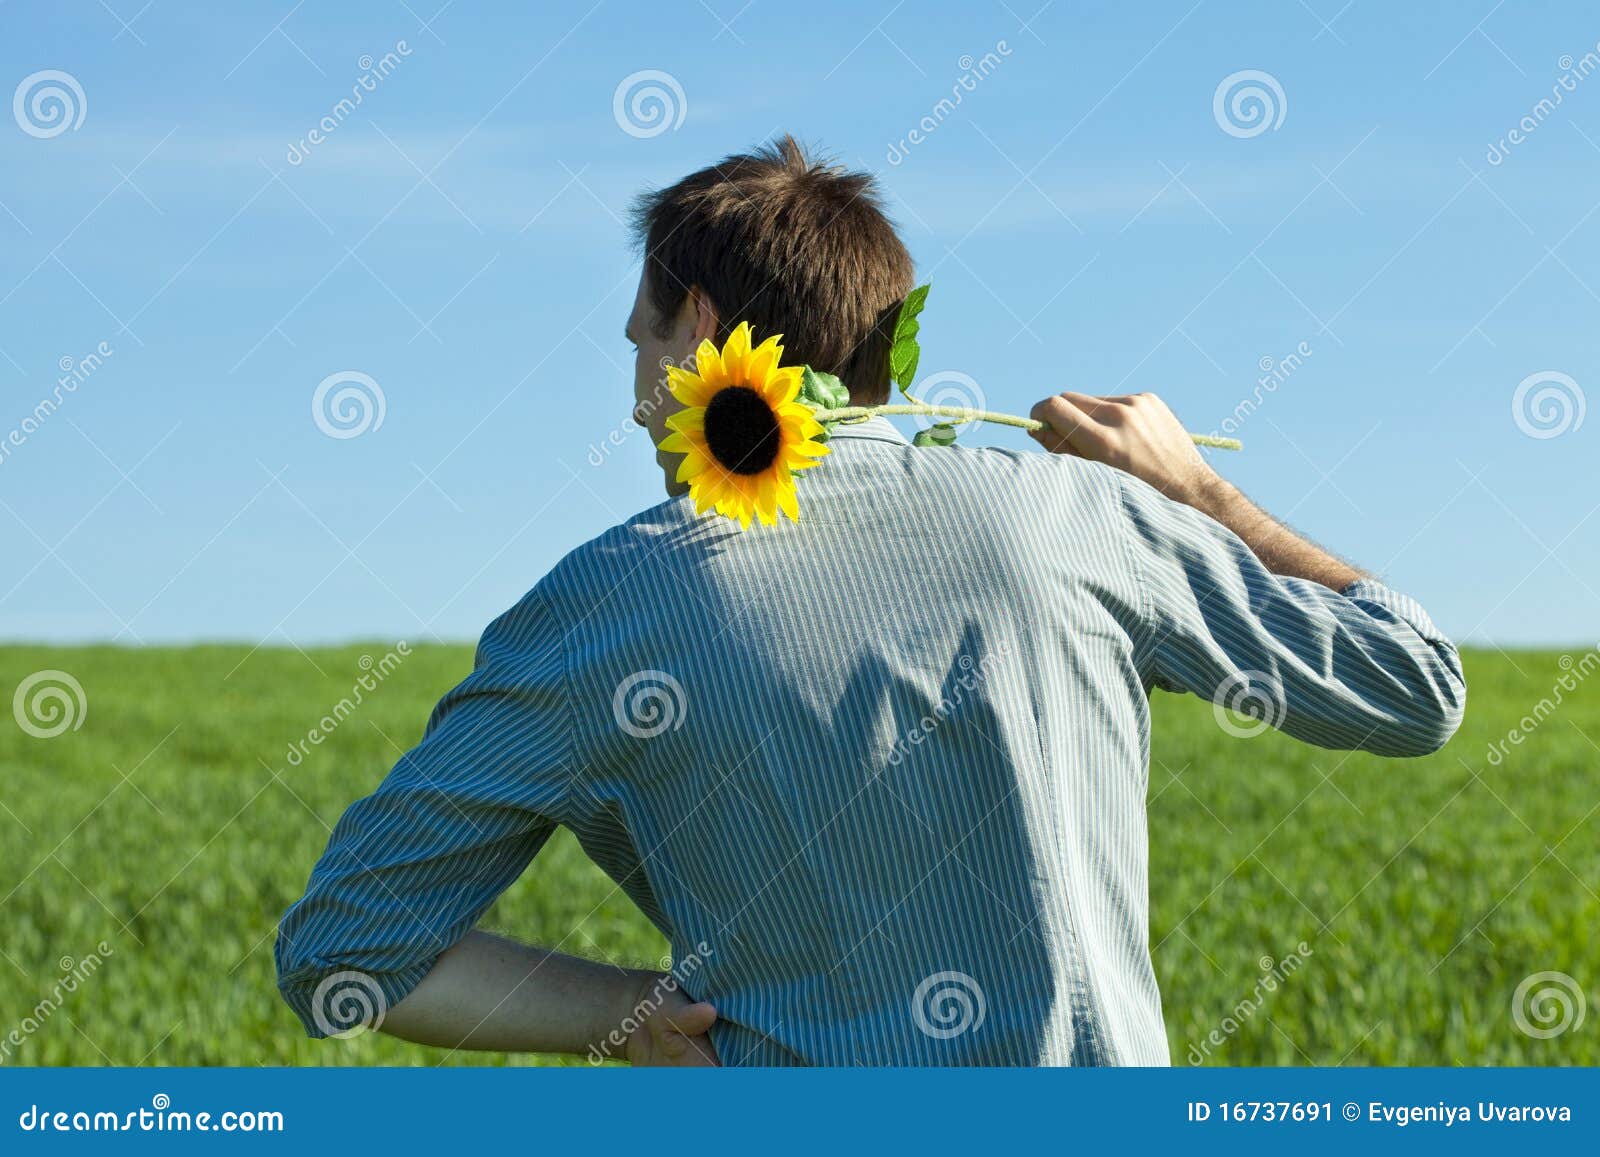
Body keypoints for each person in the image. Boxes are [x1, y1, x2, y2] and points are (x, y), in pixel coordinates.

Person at [275, 136, 1465, 1066]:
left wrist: (631, 1011)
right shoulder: (1072, 518)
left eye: (639, 341)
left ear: (698, 326)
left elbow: (344, 953)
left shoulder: (601, 607)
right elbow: (1415, 687)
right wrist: (1197, 489)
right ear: (882, 357)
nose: (636, 391)